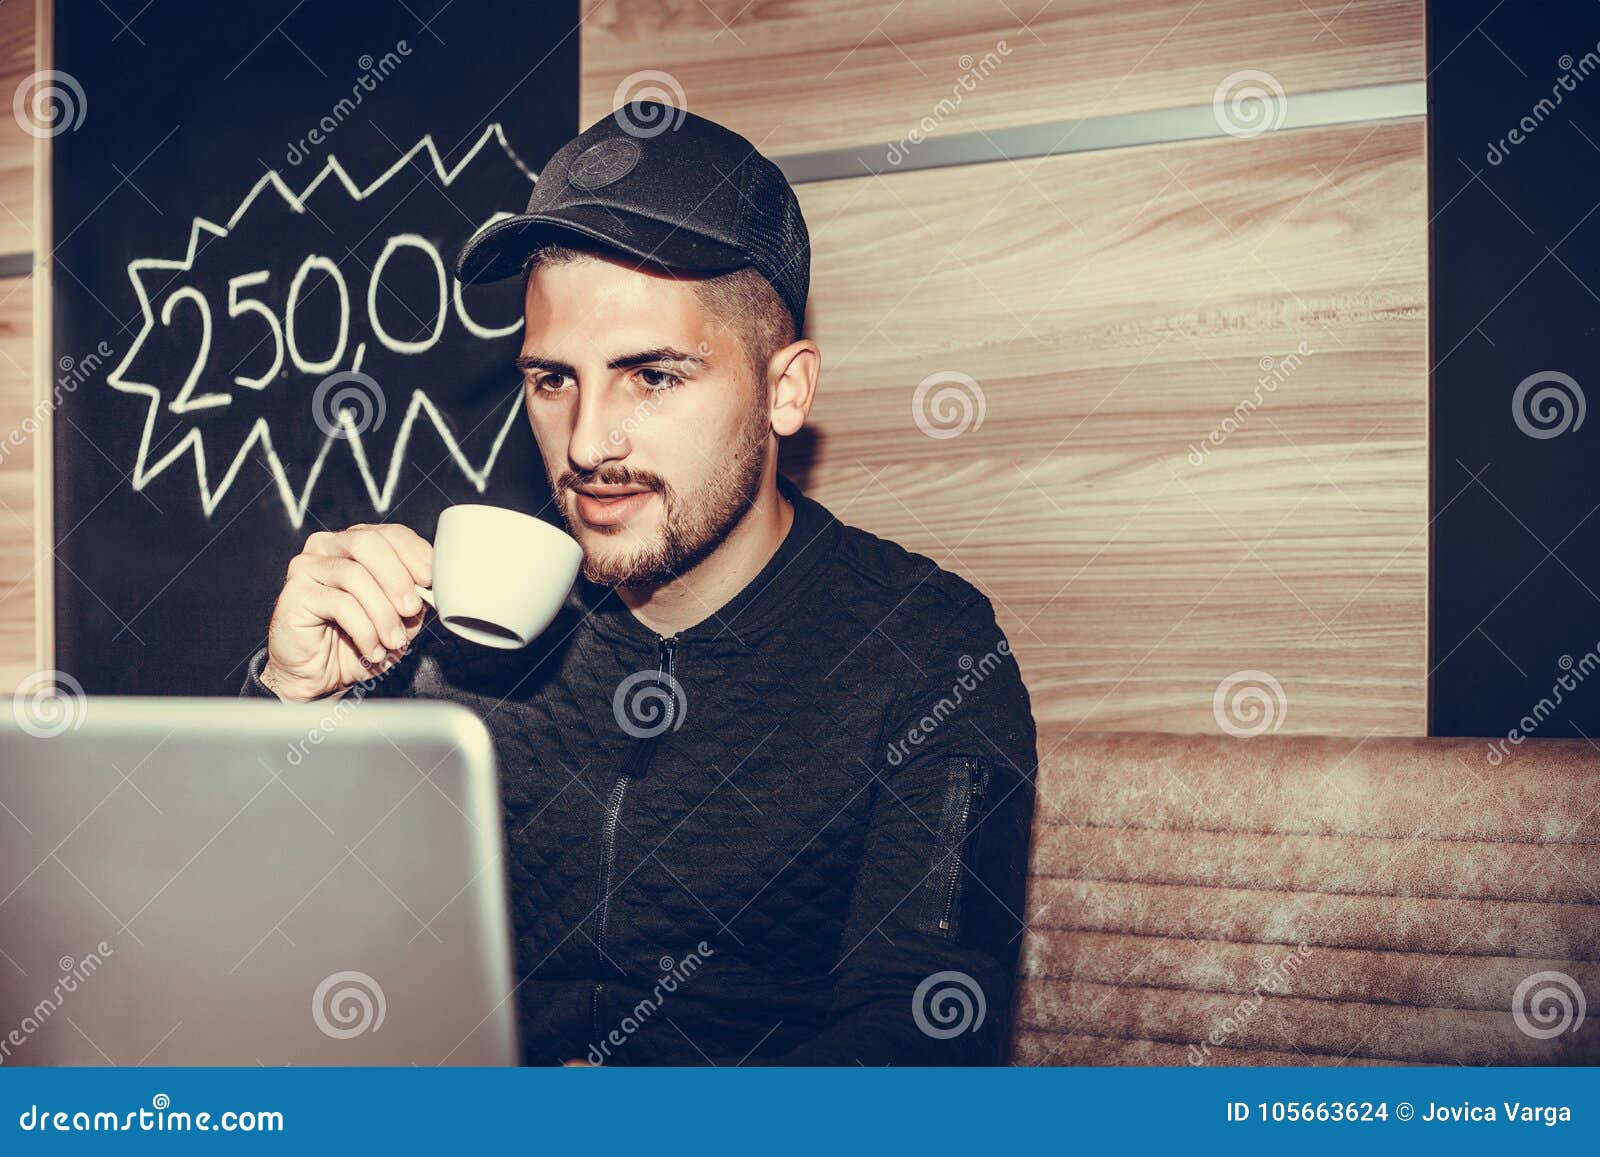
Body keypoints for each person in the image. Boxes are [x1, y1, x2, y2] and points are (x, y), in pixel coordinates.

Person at [240, 102, 1038, 1065]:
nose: (585, 444)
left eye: (652, 377)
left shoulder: (926, 652)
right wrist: (285, 706)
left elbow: (923, 1048)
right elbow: (243, 952)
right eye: (552, 379)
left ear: (785, 389)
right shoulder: (442, 630)